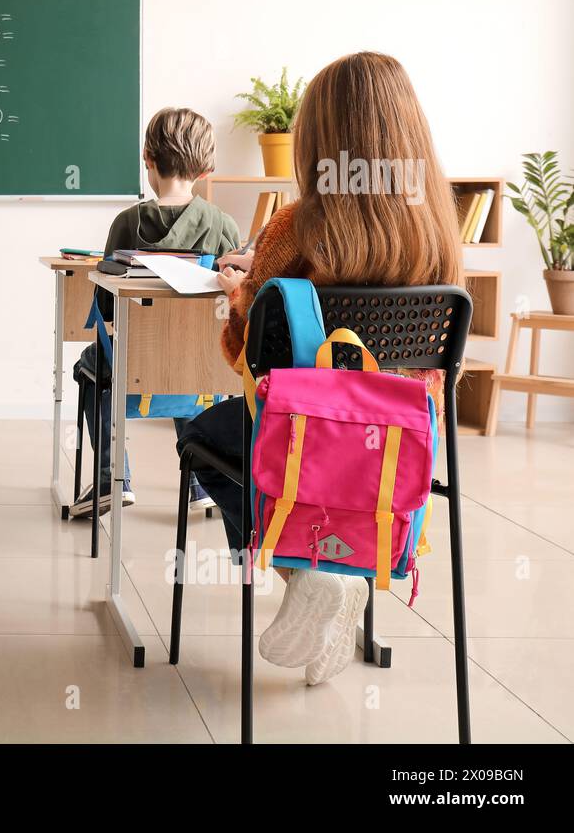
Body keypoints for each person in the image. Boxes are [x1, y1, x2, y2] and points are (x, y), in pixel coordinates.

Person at [176, 51, 464, 686]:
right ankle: (340, 574)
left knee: (200, 434)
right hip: (400, 451)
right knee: (318, 454)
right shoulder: (439, 231)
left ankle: (305, 571)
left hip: (309, 445)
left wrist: (237, 297)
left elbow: (250, 361)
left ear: (317, 138)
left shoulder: (294, 227)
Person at [70, 106, 241, 518]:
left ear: (148, 159)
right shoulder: (223, 226)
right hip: (203, 374)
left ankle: (115, 476)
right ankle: (199, 480)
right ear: (204, 168)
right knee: (191, 355)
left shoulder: (126, 223)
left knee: (88, 367)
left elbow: (108, 304)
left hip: (135, 370)